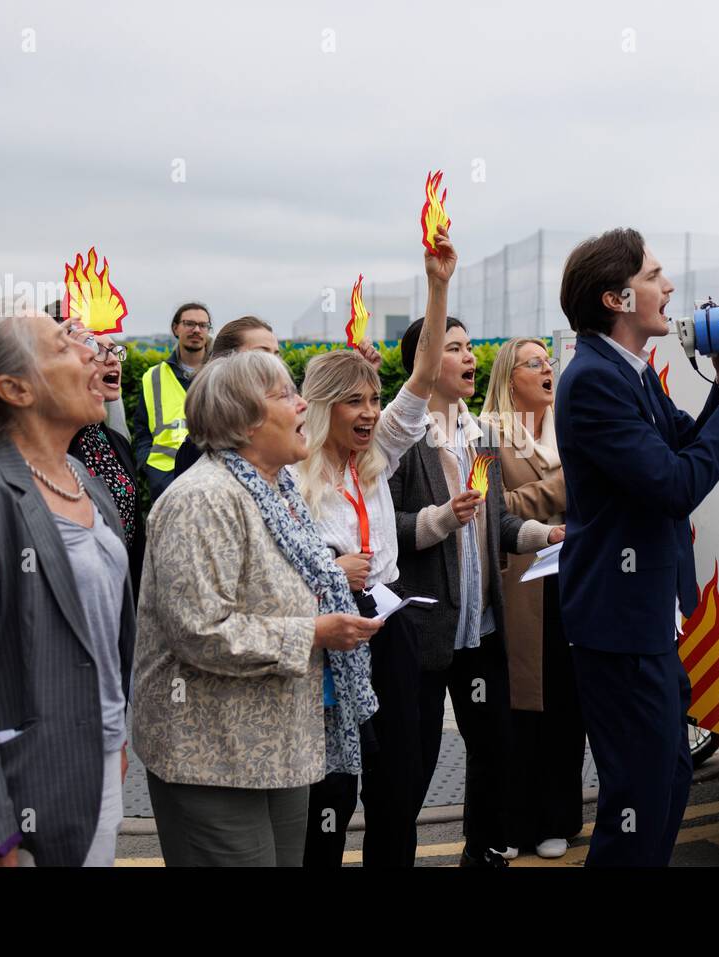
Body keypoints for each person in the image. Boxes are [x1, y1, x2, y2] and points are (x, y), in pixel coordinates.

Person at [555, 227, 719, 867]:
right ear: (616, 298)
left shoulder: (629, 374)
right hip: (619, 628)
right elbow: (674, 485)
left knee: (667, 782)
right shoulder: (594, 381)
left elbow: (682, 443)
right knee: (638, 804)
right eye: (653, 276)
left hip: (642, 619)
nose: (668, 286)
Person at [133, 350, 381, 866]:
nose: (301, 405)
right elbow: (200, 630)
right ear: (243, 420)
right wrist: (314, 633)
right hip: (213, 757)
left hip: (278, 748)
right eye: (286, 395)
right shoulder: (203, 499)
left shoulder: (280, 489)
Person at [0, 304, 135, 867]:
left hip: (100, 771)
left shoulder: (83, 480)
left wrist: (114, 733)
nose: (91, 352)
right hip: (22, 796)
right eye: (63, 345)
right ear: (15, 388)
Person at [296, 226, 454, 868]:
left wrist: (438, 286)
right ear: (321, 407)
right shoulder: (289, 474)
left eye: (370, 399)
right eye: (352, 402)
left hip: (389, 623)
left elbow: (420, 377)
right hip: (330, 631)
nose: (367, 412)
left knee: (399, 774)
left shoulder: (378, 455)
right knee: (332, 783)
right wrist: (332, 568)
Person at [391, 314, 563, 867]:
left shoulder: (481, 435)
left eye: (469, 348)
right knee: (412, 766)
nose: (470, 357)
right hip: (424, 632)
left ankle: (482, 854)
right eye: (455, 348)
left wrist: (545, 534)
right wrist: (439, 519)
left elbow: (495, 525)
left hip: (483, 629)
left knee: (493, 749)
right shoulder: (403, 439)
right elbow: (380, 522)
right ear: (423, 363)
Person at [479, 336, 584, 860]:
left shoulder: (568, 427)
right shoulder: (487, 432)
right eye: (534, 362)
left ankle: (559, 816)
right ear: (510, 376)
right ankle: (518, 822)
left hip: (573, 580)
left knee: (567, 704)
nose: (547, 369)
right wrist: (564, 486)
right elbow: (488, 506)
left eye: (550, 361)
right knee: (522, 707)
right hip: (521, 585)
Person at [62, 325, 146, 601]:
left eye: (114, 350)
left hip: (121, 593)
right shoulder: (57, 441)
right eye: (97, 350)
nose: (112, 359)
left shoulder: (116, 442)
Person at [173, 315, 281, 479]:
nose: (274, 364)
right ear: (224, 361)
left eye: (276, 355)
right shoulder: (202, 446)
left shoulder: (283, 429)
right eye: (262, 355)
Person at [133, 302, 211, 501]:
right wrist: (148, 466)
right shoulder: (153, 376)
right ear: (175, 328)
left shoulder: (221, 373)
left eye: (203, 325)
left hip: (211, 475)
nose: (196, 330)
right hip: (164, 479)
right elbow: (142, 429)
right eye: (189, 323)